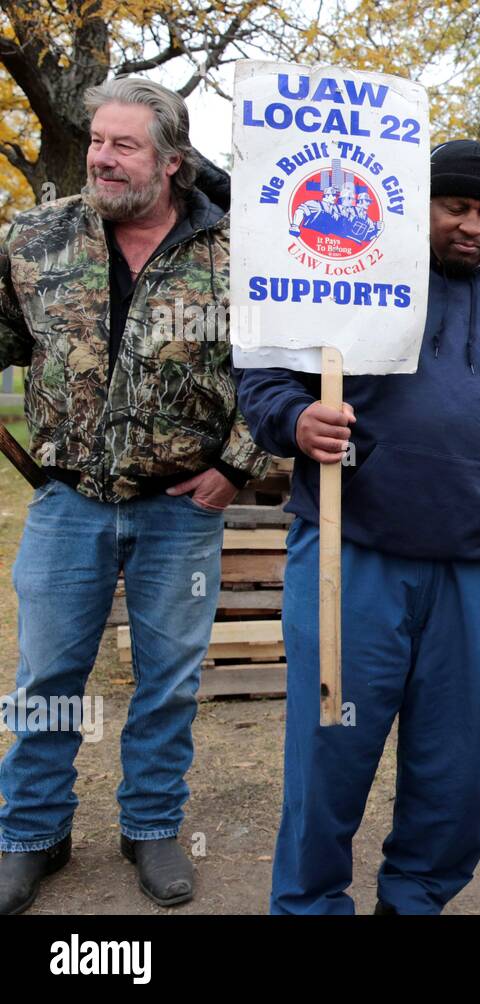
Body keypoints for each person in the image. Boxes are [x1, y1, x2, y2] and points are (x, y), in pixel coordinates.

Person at [237, 139, 480, 914]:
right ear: (416, 209)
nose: (472, 225)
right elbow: (261, 377)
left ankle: (416, 901)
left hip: (478, 574)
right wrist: (295, 418)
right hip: (350, 557)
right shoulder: (342, 279)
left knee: (450, 768)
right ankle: (310, 905)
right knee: (328, 755)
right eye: (454, 207)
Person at [0, 78, 268, 914]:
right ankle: (30, 834)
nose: (102, 159)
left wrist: (239, 465)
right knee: (48, 676)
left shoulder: (239, 252)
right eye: (97, 141)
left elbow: (278, 370)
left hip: (181, 512)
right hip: (67, 503)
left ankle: (151, 827)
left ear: (173, 161)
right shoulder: (35, 239)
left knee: (169, 681)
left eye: (125, 146)